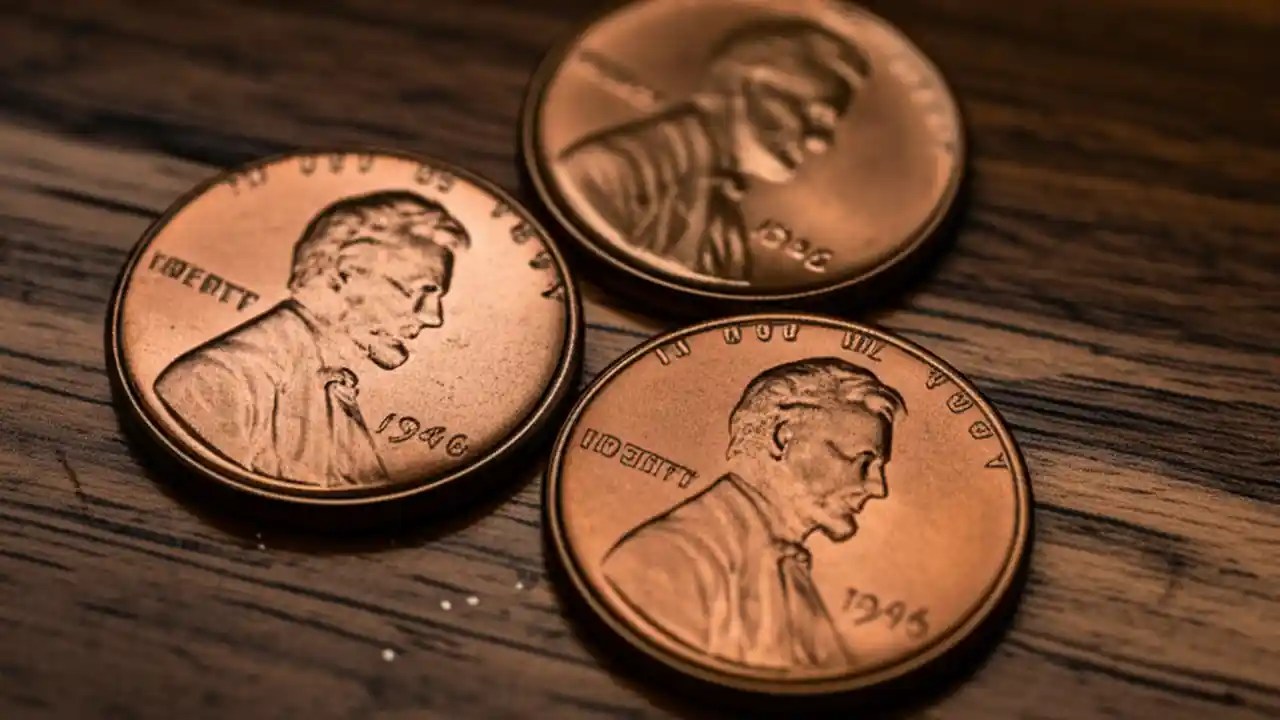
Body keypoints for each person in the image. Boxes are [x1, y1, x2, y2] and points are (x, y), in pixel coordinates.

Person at [601, 358, 904, 670]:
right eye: (862, 461)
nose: (876, 487)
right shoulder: (662, 559)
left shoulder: (788, 568)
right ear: (782, 439)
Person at [155, 191, 470, 489]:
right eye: (419, 292)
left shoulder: (330, 378)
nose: (433, 317)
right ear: (345, 272)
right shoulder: (215, 382)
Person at [559, 19, 870, 282]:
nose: (820, 142)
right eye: (816, 115)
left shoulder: (724, 219)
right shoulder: (605, 171)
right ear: (747, 86)